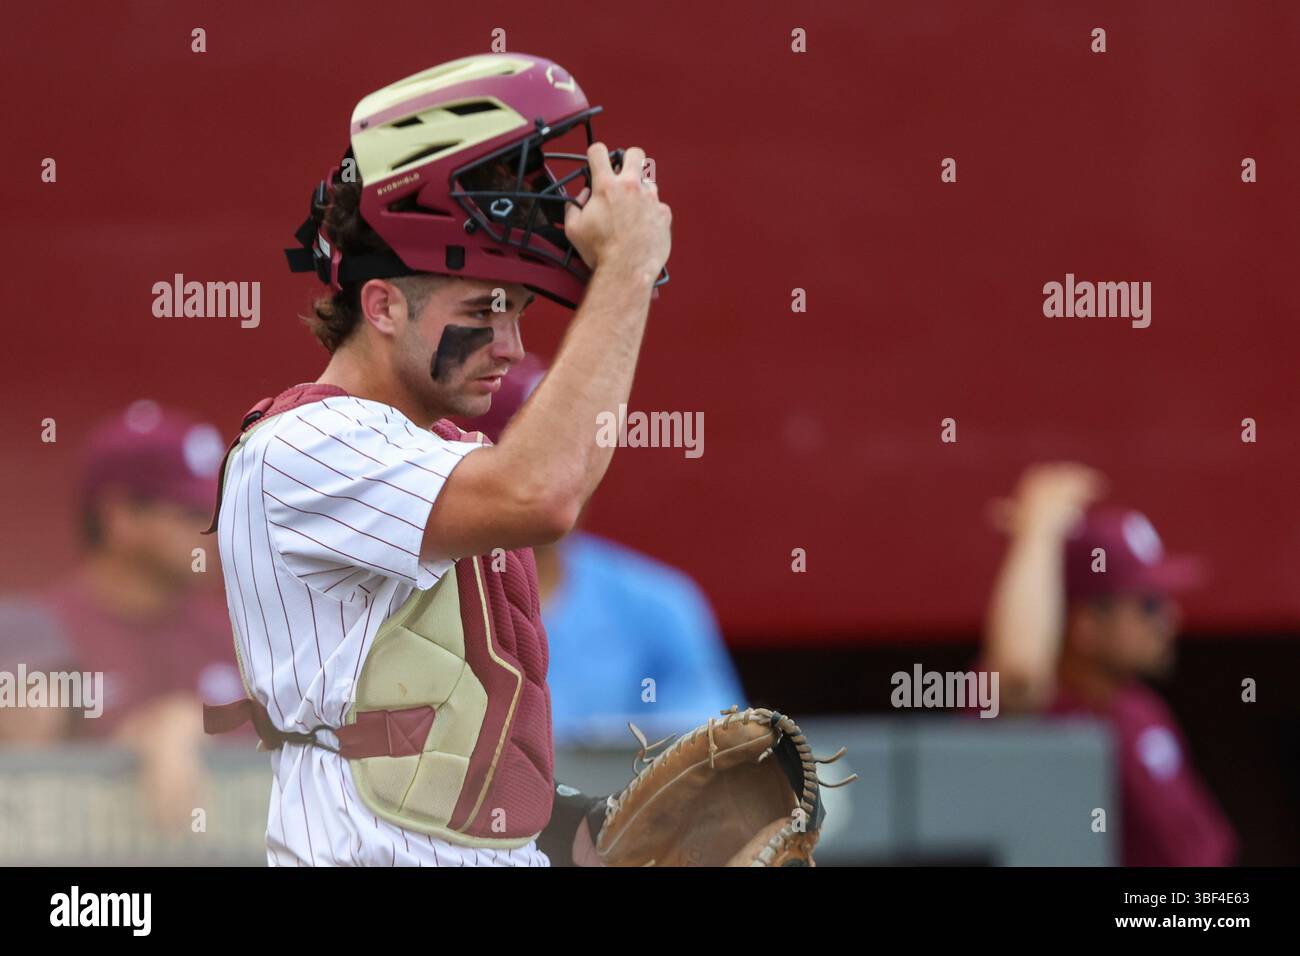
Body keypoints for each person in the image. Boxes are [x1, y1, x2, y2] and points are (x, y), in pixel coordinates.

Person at [203, 52, 671, 866]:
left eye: (520, 311)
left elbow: (446, 723)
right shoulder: (302, 446)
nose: (513, 346)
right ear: (381, 305)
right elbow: (546, 493)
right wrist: (626, 270)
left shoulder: (444, 452)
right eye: (485, 309)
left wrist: (571, 829)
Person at [454, 356, 744, 744]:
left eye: (580, 452)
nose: (574, 475)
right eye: (542, 456)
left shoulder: (659, 602)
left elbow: (716, 752)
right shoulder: (414, 600)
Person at [0, 399, 244, 826]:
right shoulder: (29, 637)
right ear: (120, 517)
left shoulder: (242, 640)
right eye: (192, 512)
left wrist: (191, 722)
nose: (214, 527)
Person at [982, 462, 1237, 866]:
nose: (1169, 620)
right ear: (1086, 624)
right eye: (1149, 604)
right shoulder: (1044, 711)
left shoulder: (1140, 709)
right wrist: (1040, 531)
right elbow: (1019, 673)